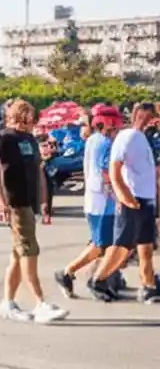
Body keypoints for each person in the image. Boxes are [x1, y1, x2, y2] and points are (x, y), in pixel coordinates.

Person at [0, 99, 67, 323]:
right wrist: (1, 202)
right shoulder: (4, 138)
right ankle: (40, 303)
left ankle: (8, 302)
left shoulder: (30, 140)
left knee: (18, 254)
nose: (29, 119)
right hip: (15, 202)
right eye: (24, 115)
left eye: (30, 115)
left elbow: (38, 170)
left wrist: (44, 201)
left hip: (29, 202)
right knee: (28, 251)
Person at [87, 103, 158, 303]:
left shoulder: (142, 138)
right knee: (122, 246)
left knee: (146, 245)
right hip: (133, 199)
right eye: (143, 115)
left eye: (150, 116)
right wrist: (122, 194)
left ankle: (149, 285)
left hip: (146, 199)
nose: (147, 119)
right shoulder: (126, 136)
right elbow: (114, 167)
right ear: (135, 114)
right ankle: (98, 280)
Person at [55, 104, 123, 298]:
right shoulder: (106, 143)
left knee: (105, 244)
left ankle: (101, 280)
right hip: (104, 202)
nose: (116, 129)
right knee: (101, 245)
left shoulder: (93, 140)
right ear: (106, 124)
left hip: (94, 200)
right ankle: (68, 272)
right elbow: (107, 173)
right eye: (114, 126)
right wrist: (119, 196)